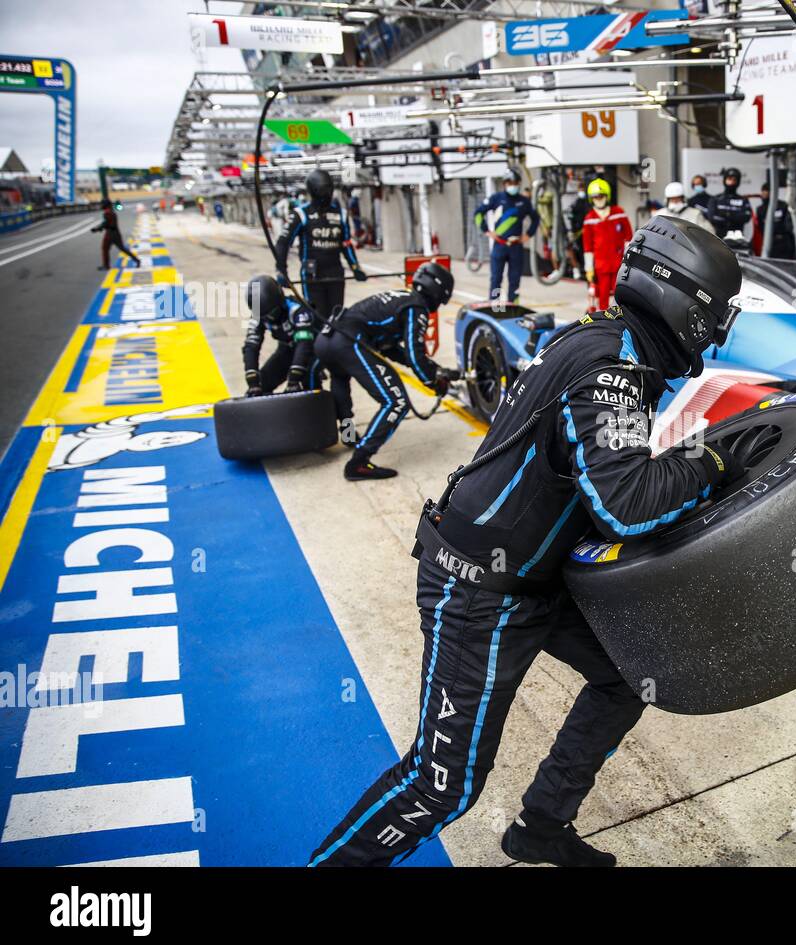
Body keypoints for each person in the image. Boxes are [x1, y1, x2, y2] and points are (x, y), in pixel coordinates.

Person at [309, 218, 746, 867]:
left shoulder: (610, 343)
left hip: (532, 577)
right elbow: (626, 507)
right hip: (479, 587)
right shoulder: (612, 368)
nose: (717, 330)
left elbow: (601, 491)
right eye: (717, 315)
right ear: (688, 305)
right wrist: (713, 461)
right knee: (442, 785)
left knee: (627, 677)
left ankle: (541, 826)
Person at [313, 262, 454, 481]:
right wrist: (433, 382)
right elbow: (415, 356)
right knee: (396, 401)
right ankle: (358, 463)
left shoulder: (402, 298)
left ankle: (349, 435)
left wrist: (433, 368)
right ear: (437, 291)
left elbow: (393, 350)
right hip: (348, 341)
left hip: (326, 339)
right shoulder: (416, 307)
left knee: (340, 382)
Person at [274, 168, 366, 324]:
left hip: (335, 274)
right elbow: (283, 243)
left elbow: (346, 244)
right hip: (312, 276)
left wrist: (355, 267)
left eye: (328, 189)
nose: (326, 194)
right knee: (317, 317)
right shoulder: (301, 214)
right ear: (313, 191)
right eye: (323, 190)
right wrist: (281, 269)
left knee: (336, 317)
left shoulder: (341, 214)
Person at [242, 274, 330, 400]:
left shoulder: (298, 309)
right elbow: (251, 346)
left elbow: (304, 344)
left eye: (271, 313)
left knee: (307, 382)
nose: (269, 318)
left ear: (279, 301)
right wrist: (253, 380)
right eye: (264, 316)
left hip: (315, 347)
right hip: (288, 347)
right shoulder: (258, 315)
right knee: (261, 384)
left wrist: (295, 376)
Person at [474, 169, 539, 304]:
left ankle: (513, 307)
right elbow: (478, 214)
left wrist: (528, 235)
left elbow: (536, 218)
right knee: (496, 278)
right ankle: (494, 306)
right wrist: (487, 231)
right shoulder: (496, 198)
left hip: (516, 246)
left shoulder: (524, 201)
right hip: (500, 245)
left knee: (515, 279)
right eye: (509, 183)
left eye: (515, 183)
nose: (512, 185)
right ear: (504, 184)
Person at [582, 178, 634, 310]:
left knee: (621, 293)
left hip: (619, 263)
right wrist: (589, 268)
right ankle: (604, 321)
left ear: (607, 196)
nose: (599, 199)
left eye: (601, 196)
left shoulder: (619, 213)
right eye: (595, 197)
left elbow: (629, 237)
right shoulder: (589, 219)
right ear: (591, 199)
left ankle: (623, 317)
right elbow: (587, 247)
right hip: (601, 265)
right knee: (602, 296)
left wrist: (629, 259)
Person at [91, 200, 140, 270]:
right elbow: (107, 223)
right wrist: (99, 228)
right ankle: (137, 260)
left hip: (110, 233)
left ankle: (106, 265)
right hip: (115, 233)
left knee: (105, 248)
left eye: (102, 204)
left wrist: (97, 229)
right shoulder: (110, 211)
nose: (101, 206)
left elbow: (105, 223)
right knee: (121, 249)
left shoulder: (107, 212)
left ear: (106, 205)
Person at [707, 167, 753, 241]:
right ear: (725, 180)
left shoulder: (743, 200)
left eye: (734, 180)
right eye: (729, 179)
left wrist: (726, 215)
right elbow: (712, 217)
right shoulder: (716, 199)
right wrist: (733, 217)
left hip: (737, 239)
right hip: (719, 238)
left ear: (738, 182)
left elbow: (746, 217)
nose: (731, 182)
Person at [756, 181, 796, 259]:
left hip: (783, 242)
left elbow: (788, 225)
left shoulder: (783, 206)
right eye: (763, 190)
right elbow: (760, 226)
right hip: (769, 242)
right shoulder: (760, 209)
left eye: (766, 190)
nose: (764, 193)